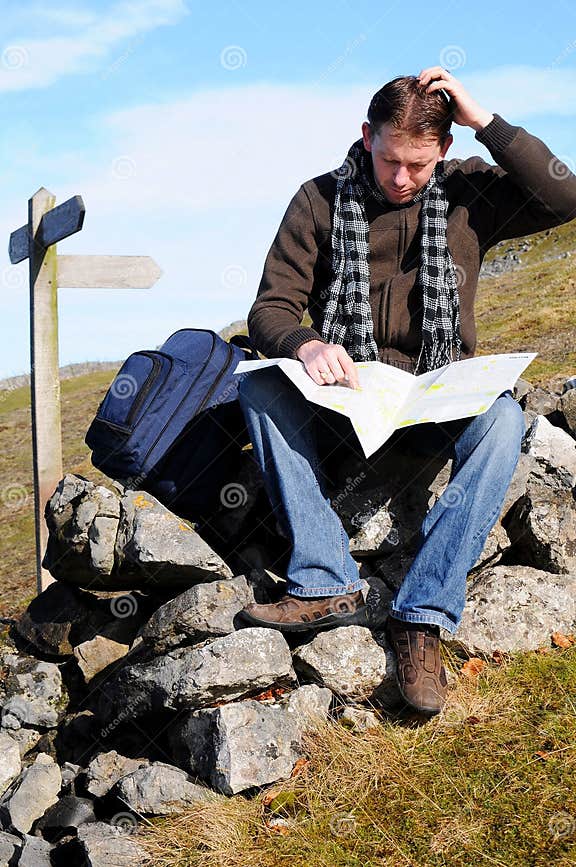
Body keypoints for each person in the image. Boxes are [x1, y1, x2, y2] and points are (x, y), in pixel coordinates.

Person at [236, 66, 576, 714]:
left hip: (436, 403)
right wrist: (306, 344)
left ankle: (420, 617)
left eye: (417, 165)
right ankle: (325, 579)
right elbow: (270, 309)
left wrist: (486, 123)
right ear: (367, 136)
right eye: (389, 158)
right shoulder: (318, 199)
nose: (400, 177)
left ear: (443, 148)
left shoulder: (471, 192)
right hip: (346, 405)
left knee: (504, 420)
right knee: (259, 389)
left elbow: (565, 198)